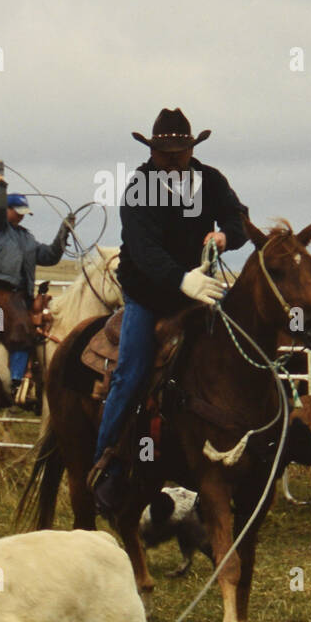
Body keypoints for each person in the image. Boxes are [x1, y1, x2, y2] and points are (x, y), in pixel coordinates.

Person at [91, 108, 249, 517]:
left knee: (241, 353)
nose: (175, 158)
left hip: (202, 290)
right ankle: (104, 464)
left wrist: (224, 234)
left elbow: (238, 218)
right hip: (150, 295)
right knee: (131, 373)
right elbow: (142, 250)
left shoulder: (210, 180)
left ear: (192, 148)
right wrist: (181, 280)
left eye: (182, 150)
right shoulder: (138, 188)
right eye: (167, 152)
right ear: (153, 152)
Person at [0, 162, 73, 388]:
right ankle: (14, 382)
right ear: (8, 210)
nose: (22, 217)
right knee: (22, 328)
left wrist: (64, 231)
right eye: (18, 213)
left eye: (24, 214)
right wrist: (0, 180)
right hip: (3, 292)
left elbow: (50, 256)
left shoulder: (27, 239)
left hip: (23, 296)